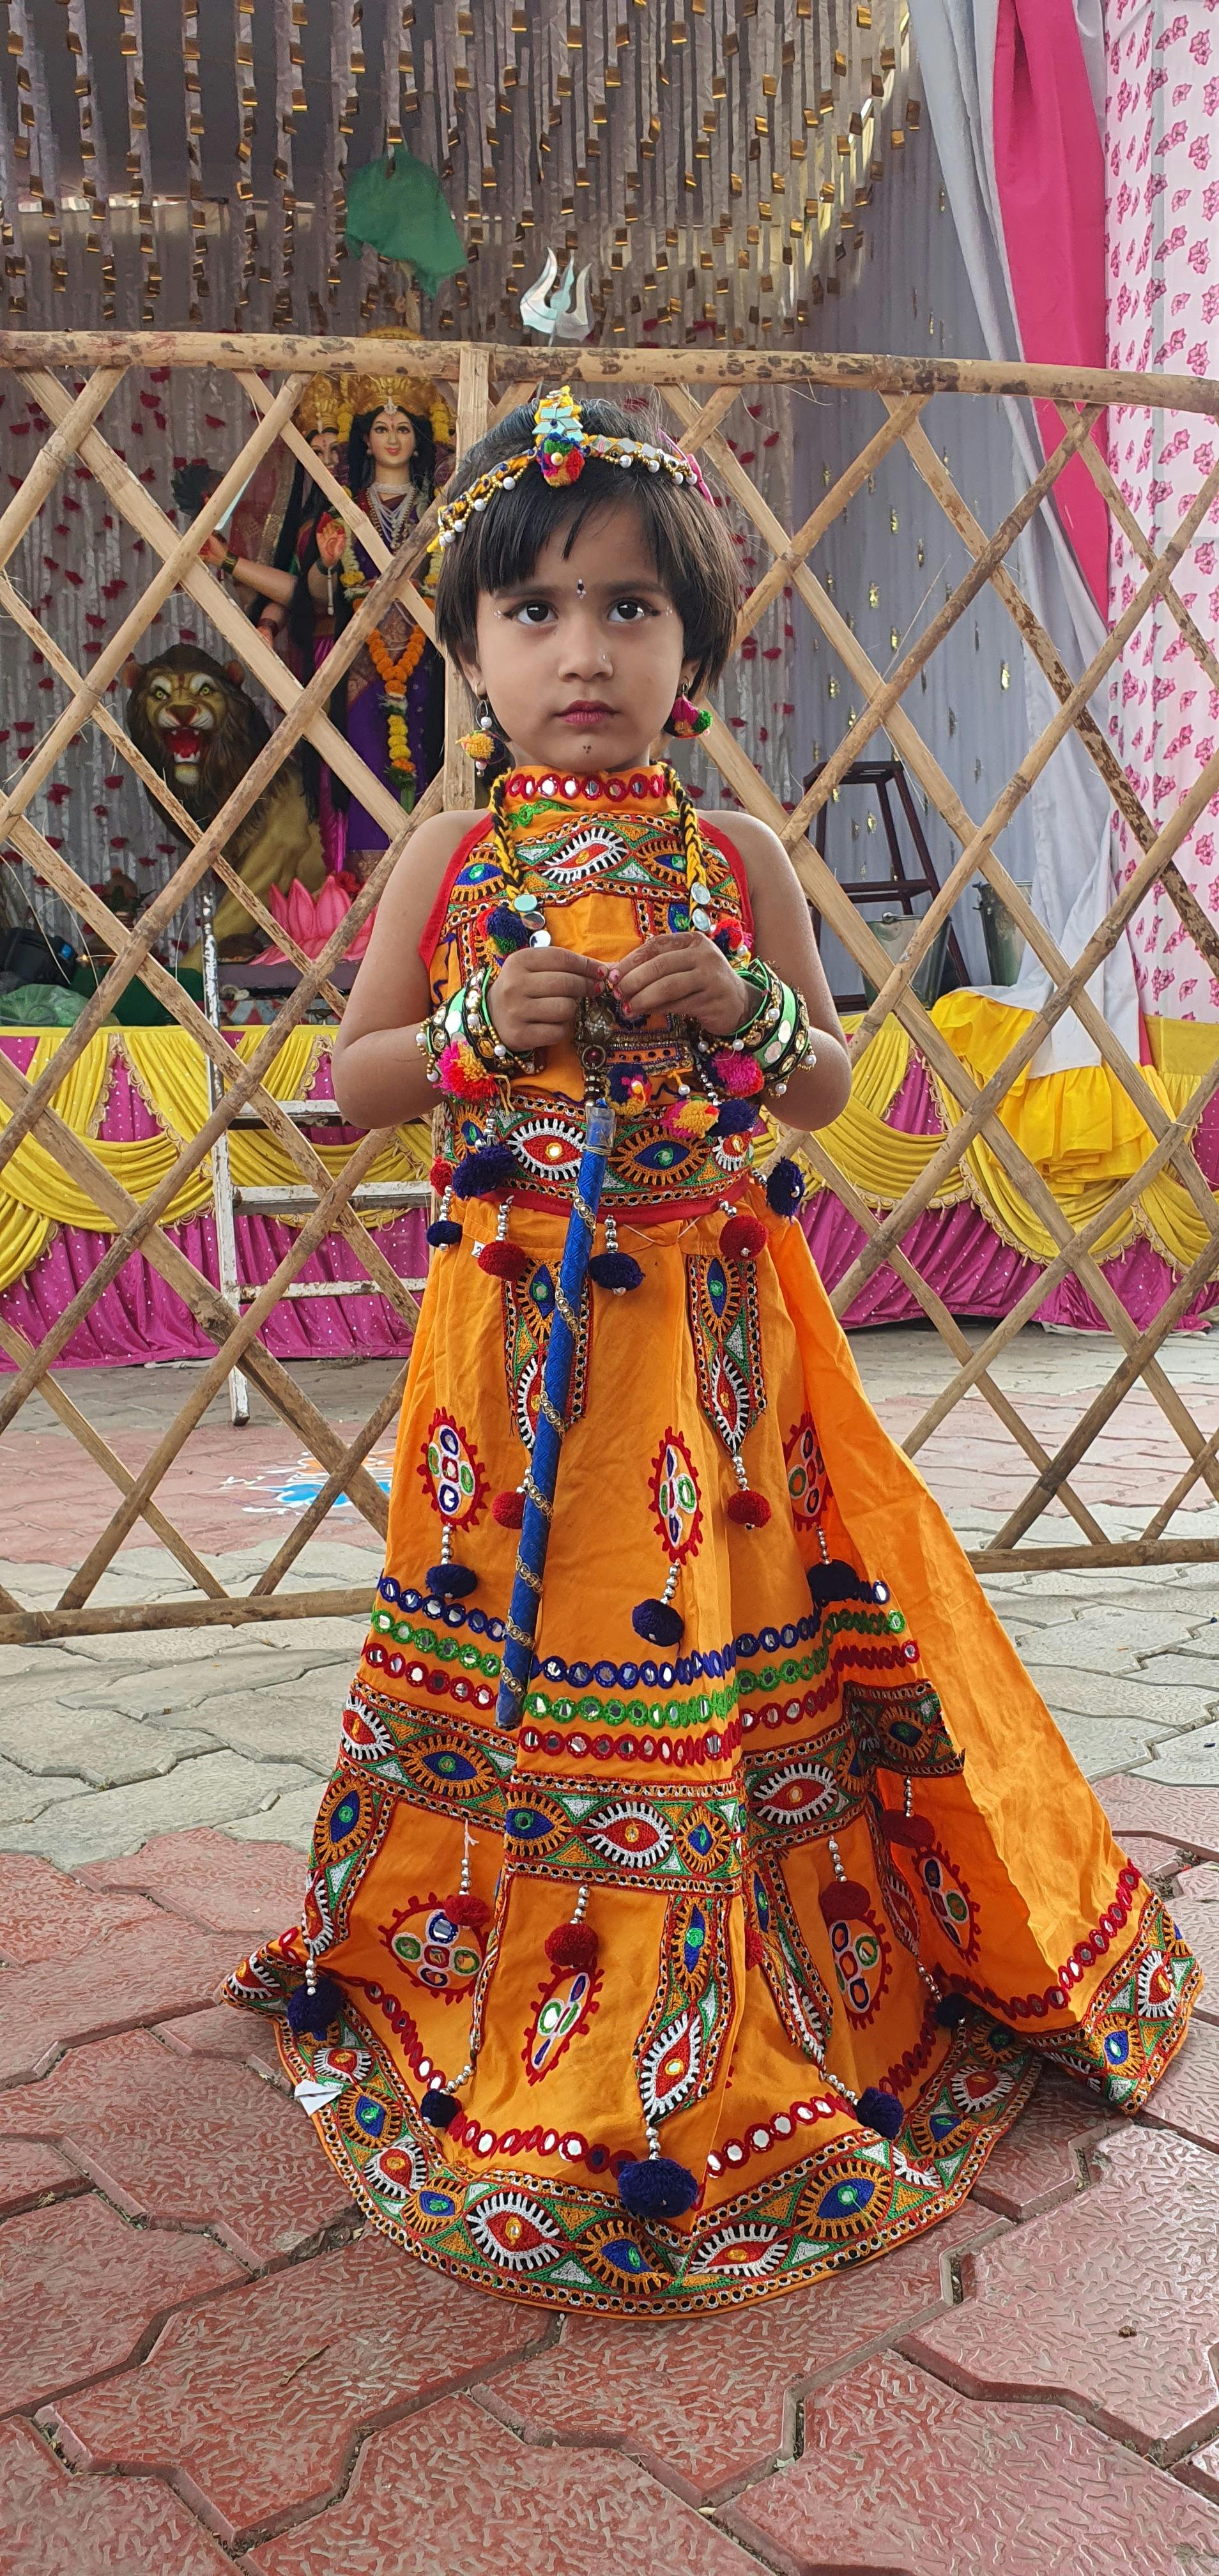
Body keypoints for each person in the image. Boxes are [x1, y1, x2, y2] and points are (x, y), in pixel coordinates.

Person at [224, 387, 1198, 2317]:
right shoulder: (447, 861)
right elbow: (344, 1089)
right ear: (471, 643)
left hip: (720, 1361)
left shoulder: (740, 849)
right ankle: (488, 1975)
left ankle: (754, 2000)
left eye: (633, 611)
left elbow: (830, 1084)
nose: (584, 651)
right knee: (526, 1643)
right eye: (537, 614)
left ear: (698, 644)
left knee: (743, 1670)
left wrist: (750, 1006)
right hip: (510, 1369)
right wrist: (485, 1039)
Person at [201, 379, 351, 873]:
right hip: (330, 654)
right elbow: (296, 588)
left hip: (388, 652)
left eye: (337, 445)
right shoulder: (312, 516)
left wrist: (231, 564)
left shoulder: (369, 508)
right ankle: (346, 884)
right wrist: (266, 623)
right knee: (330, 775)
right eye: (316, 448)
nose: (327, 457)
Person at [308, 368, 449, 880]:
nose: (393, 438)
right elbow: (315, 597)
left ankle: (429, 881)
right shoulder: (346, 511)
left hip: (427, 658)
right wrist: (327, 564)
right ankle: (368, 896)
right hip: (363, 664)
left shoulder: (439, 510)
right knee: (366, 763)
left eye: (404, 428)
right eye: (383, 428)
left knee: (428, 759)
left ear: (419, 439)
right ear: (365, 439)